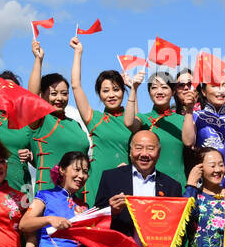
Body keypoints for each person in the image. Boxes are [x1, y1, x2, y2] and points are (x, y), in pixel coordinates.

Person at [70, 37, 138, 205]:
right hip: (97, 181)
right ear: (99, 95)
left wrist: (133, 88)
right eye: (105, 90)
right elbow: (76, 85)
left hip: (127, 180)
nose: (111, 95)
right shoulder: (94, 119)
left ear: (123, 91)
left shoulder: (133, 120)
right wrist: (78, 53)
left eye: (116, 89)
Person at [26, 70, 90, 193]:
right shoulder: (42, 120)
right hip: (49, 192)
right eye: (53, 93)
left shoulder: (75, 124)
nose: (60, 98)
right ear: (42, 95)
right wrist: (38, 59)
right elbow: (31, 98)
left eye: (64, 93)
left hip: (78, 194)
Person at [128, 71, 193, 187]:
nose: (159, 92)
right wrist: (133, 89)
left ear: (173, 92)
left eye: (164, 87)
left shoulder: (183, 119)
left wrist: (189, 110)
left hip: (177, 183)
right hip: (148, 183)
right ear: (149, 92)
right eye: (154, 88)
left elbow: (189, 142)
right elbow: (129, 123)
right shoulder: (144, 119)